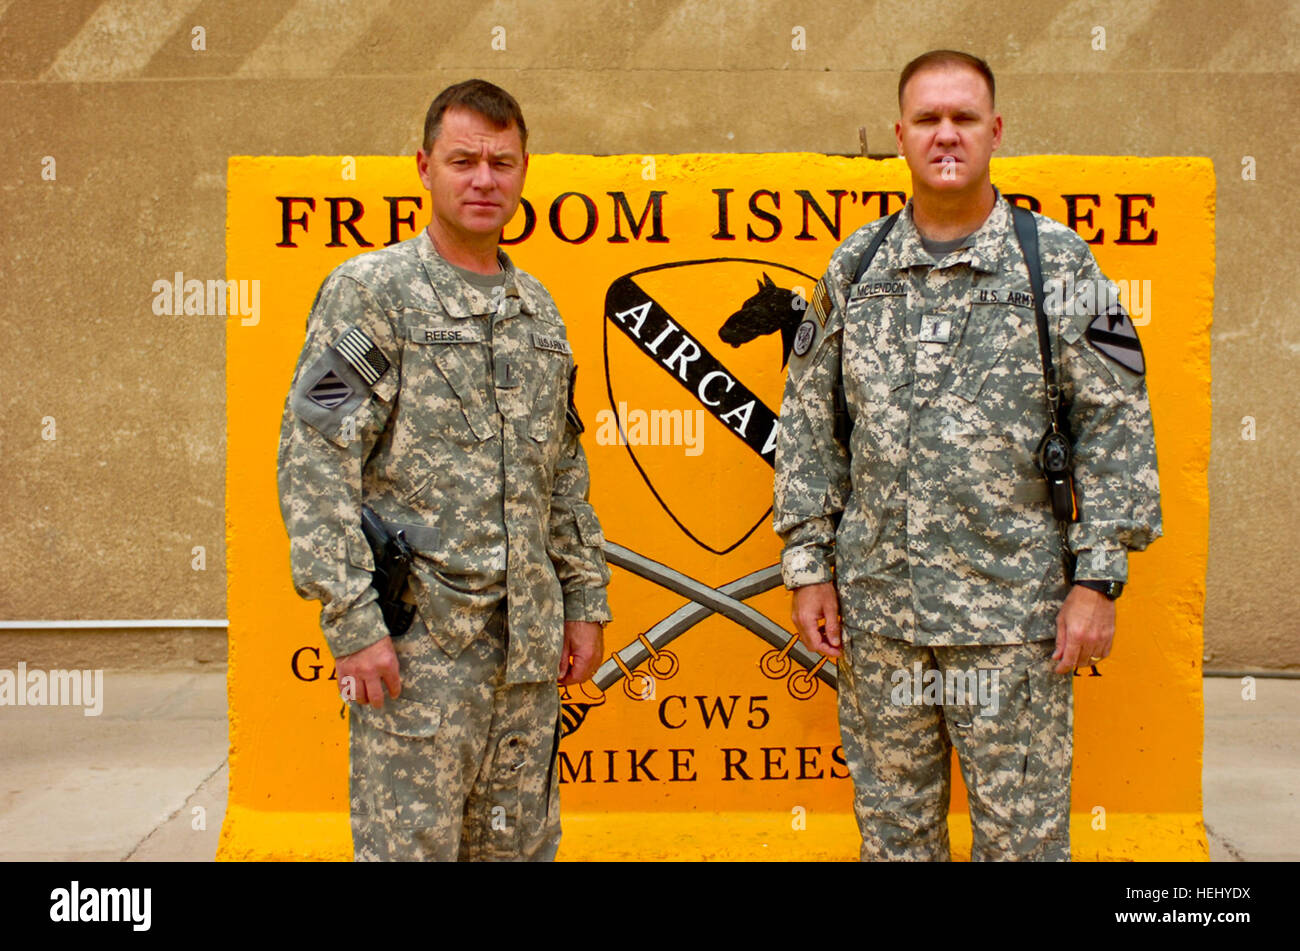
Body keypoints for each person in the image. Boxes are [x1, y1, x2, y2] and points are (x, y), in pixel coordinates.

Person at [773, 50, 1160, 861]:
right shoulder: (857, 266)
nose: (945, 133)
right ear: (901, 135)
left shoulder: (1053, 262)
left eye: (964, 117)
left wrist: (1096, 581)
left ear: (995, 131)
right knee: (896, 841)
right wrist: (808, 564)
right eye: (927, 119)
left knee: (1021, 845)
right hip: (880, 621)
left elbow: (1117, 420)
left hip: (1014, 624)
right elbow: (810, 420)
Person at [277, 79, 611, 862]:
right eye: (464, 160)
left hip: (525, 652)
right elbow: (316, 457)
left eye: (502, 162)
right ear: (424, 167)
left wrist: (584, 597)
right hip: (419, 650)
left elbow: (562, 470)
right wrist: (354, 623)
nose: (484, 179)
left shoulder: (538, 310)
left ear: (526, 170)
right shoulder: (372, 294)